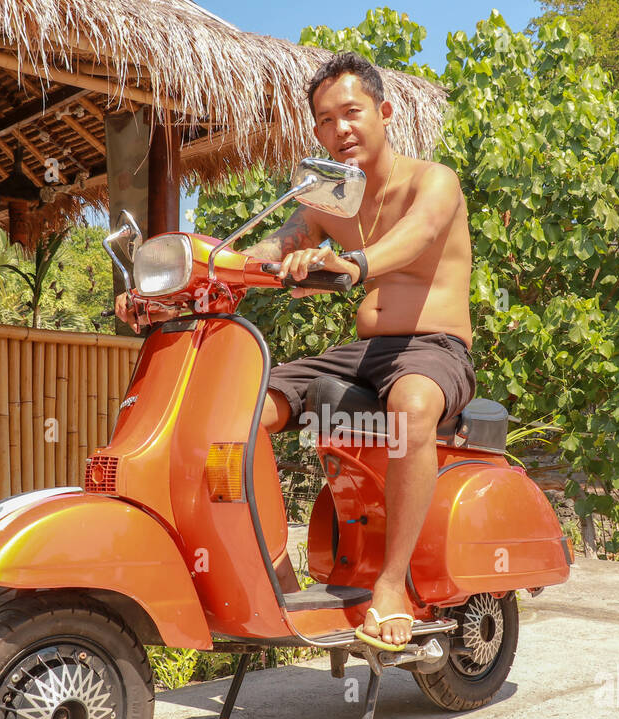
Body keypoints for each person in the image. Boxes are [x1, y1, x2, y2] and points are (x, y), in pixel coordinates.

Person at [118, 51, 475, 650]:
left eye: (353, 113)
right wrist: (170, 286)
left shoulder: (431, 181)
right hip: (362, 355)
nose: (341, 130)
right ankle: (278, 570)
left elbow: (415, 238)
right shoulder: (326, 201)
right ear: (315, 132)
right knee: (240, 413)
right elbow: (269, 248)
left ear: (385, 113)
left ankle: (390, 586)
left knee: (411, 407)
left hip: (433, 350)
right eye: (326, 120)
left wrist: (353, 263)